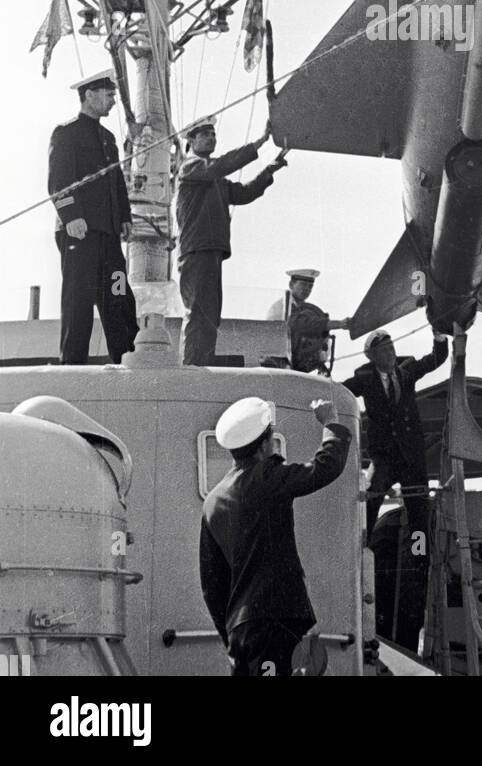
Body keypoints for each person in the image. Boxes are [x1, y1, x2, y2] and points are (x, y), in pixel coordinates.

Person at [199, 393, 351, 677]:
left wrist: (230, 634)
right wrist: (330, 424)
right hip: (279, 625)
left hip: (242, 631)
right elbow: (325, 467)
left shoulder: (213, 500)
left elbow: (212, 583)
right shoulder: (267, 477)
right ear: (264, 446)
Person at [176, 116, 286, 366]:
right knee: (199, 312)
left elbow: (244, 193)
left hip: (211, 250)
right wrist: (258, 144)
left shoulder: (213, 177)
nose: (211, 138)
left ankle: (201, 362)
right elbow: (221, 165)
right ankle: (192, 365)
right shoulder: (191, 167)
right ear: (191, 141)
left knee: (210, 315)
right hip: (196, 251)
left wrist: (269, 170)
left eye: (213, 134)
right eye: (205, 134)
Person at [48, 70, 138, 365]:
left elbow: (117, 182)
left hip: (109, 239)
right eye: (109, 95)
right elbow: (59, 180)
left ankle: (126, 360)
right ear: (89, 95)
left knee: (119, 294)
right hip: (80, 235)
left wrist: (124, 217)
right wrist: (71, 215)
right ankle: (72, 365)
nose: (113, 101)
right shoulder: (67, 133)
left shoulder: (109, 139)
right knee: (79, 301)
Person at [342, 327, 448, 543]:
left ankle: (420, 561)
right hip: (384, 457)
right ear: (372, 357)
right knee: (371, 499)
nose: (390, 353)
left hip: (411, 457)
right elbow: (341, 391)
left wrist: (439, 337)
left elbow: (437, 358)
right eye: (383, 350)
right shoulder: (364, 377)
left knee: (419, 514)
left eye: (391, 348)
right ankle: (363, 549)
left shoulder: (406, 369)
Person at [264, 270, 351, 373]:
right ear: (291, 284)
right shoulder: (282, 307)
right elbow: (303, 325)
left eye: (310, 286)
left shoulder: (304, 309)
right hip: (277, 363)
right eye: (303, 285)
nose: (307, 289)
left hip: (293, 365)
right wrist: (339, 324)